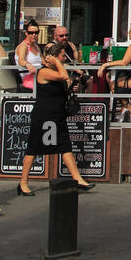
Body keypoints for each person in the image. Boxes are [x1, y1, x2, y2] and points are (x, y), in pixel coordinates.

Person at [18, 42, 94, 195]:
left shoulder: (54, 70)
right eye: (61, 56)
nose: (64, 59)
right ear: (52, 57)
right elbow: (63, 75)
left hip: (57, 115)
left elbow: (64, 81)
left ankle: (77, 178)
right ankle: (23, 183)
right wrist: (57, 62)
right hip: (44, 117)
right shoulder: (44, 72)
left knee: (65, 146)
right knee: (33, 149)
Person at [15, 23, 43, 92]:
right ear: (26, 33)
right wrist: (28, 65)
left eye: (36, 33)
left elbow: (43, 60)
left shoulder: (36, 46)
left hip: (39, 74)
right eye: (31, 33)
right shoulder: (23, 46)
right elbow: (21, 60)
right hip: (29, 76)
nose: (34, 35)